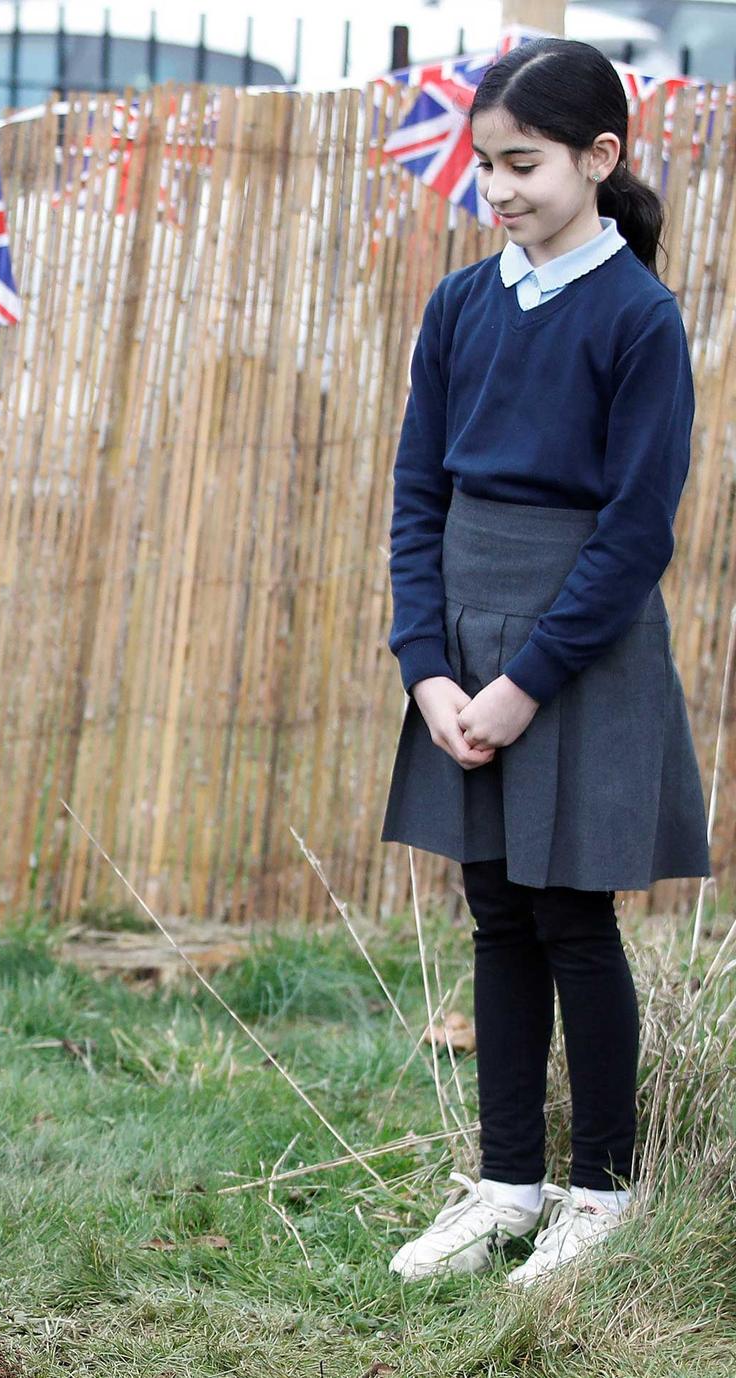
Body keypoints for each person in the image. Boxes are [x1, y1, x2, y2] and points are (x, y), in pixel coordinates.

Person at [379, 38, 708, 1288]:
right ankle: (506, 1182)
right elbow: (418, 494)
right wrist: (431, 668)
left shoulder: (638, 319)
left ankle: (602, 1197)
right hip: (463, 644)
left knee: (573, 917)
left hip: (578, 648)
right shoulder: (461, 306)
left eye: (522, 164)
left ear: (598, 158)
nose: (498, 189)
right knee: (496, 910)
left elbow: (636, 534)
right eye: (484, 166)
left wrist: (522, 687)